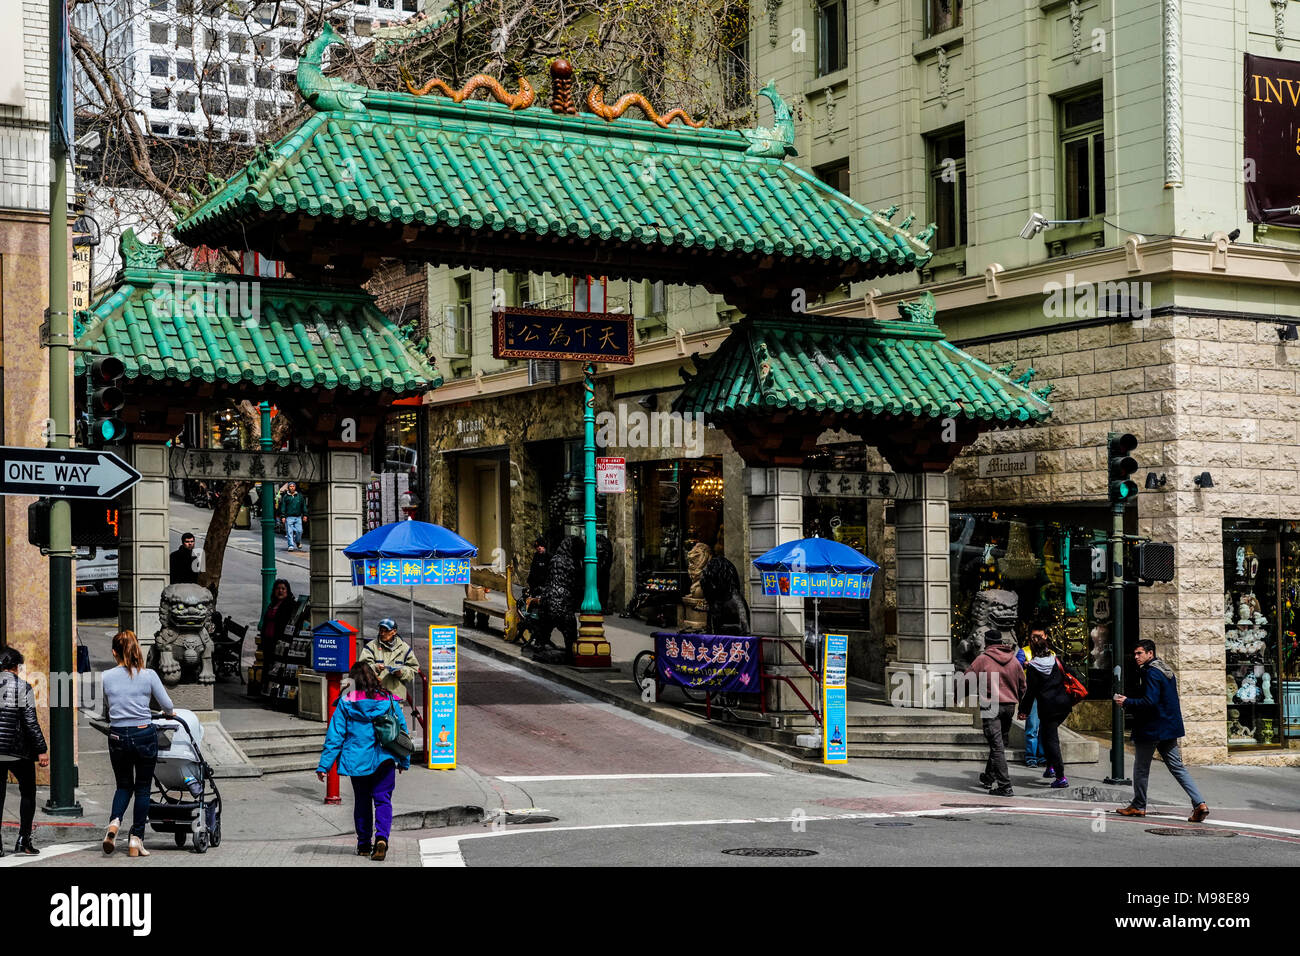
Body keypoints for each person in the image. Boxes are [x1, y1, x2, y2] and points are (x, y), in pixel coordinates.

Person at [315, 662, 410, 861]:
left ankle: (364, 844)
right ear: (374, 678)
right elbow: (402, 731)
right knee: (383, 800)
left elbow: (335, 735)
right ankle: (382, 839)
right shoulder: (389, 700)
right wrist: (404, 760)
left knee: (362, 801)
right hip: (384, 759)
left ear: (352, 681)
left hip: (358, 760)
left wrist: (324, 764)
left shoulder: (345, 702)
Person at [1114, 640, 1210, 822]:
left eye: (1139, 653)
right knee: (1177, 767)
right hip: (1168, 728)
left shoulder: (1151, 673)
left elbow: (1150, 701)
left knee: (1141, 768)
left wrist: (1127, 702)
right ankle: (1200, 803)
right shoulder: (1165, 671)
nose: (1136, 657)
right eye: (1135, 654)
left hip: (1151, 728)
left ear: (1150, 654)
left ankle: (1138, 805)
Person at [101, 630, 174, 857]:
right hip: (143, 734)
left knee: (123, 785)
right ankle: (136, 840)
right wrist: (167, 713)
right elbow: (168, 705)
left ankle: (114, 823)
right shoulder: (149, 675)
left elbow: (106, 708)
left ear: (115, 652)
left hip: (117, 736)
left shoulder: (105, 676)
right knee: (142, 789)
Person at [0, 647, 48, 856]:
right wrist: (41, 749)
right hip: (18, 749)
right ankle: (24, 839)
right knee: (27, 792)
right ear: (16, 667)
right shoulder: (23, 687)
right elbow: (30, 722)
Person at [966, 628, 1025, 796]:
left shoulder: (983, 659)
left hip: (991, 705)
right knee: (999, 743)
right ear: (1000, 642)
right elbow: (1023, 685)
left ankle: (1005, 786)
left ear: (987, 642)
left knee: (997, 745)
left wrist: (957, 694)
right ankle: (988, 777)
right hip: (1009, 707)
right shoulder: (1014, 661)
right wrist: (1022, 707)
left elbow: (967, 679)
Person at [1017, 630, 1072, 789]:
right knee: (1045, 733)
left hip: (1049, 709)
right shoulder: (1056, 661)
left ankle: (1060, 777)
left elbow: (1031, 692)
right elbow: (1071, 673)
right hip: (1063, 705)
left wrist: (1023, 710)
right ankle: (1050, 767)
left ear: (1034, 652)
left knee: (1051, 740)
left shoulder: (1034, 667)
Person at [359, 619, 419, 702]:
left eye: (386, 631)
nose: (382, 634)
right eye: (381, 630)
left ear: (394, 631)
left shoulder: (404, 648)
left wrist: (401, 672)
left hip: (396, 698)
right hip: (375, 697)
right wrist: (375, 668)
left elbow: (413, 668)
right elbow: (362, 668)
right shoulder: (371, 646)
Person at [259, 579, 297, 691]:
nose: (280, 591)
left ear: (287, 591)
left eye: (283, 589)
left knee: (276, 666)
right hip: (268, 641)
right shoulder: (273, 604)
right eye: (278, 588)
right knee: (267, 664)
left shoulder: (289, 605)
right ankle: (265, 688)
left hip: (279, 641)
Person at [1015, 637, 1042, 768]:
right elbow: (1016, 666)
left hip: (1046, 697)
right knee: (1032, 727)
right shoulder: (1024, 653)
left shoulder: (1052, 655)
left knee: (1043, 728)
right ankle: (1032, 757)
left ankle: (1042, 756)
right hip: (1033, 697)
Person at [278, 481, 306, 551]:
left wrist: (305, 514)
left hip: (298, 517)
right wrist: (283, 516)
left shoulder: (299, 496)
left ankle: (297, 541)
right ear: (288, 488)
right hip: (289, 517)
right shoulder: (286, 497)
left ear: (295, 487)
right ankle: (290, 545)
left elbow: (303, 506)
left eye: (293, 486)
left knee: (299, 531)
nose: (292, 487)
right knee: (289, 532)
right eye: (290, 486)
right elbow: (283, 507)